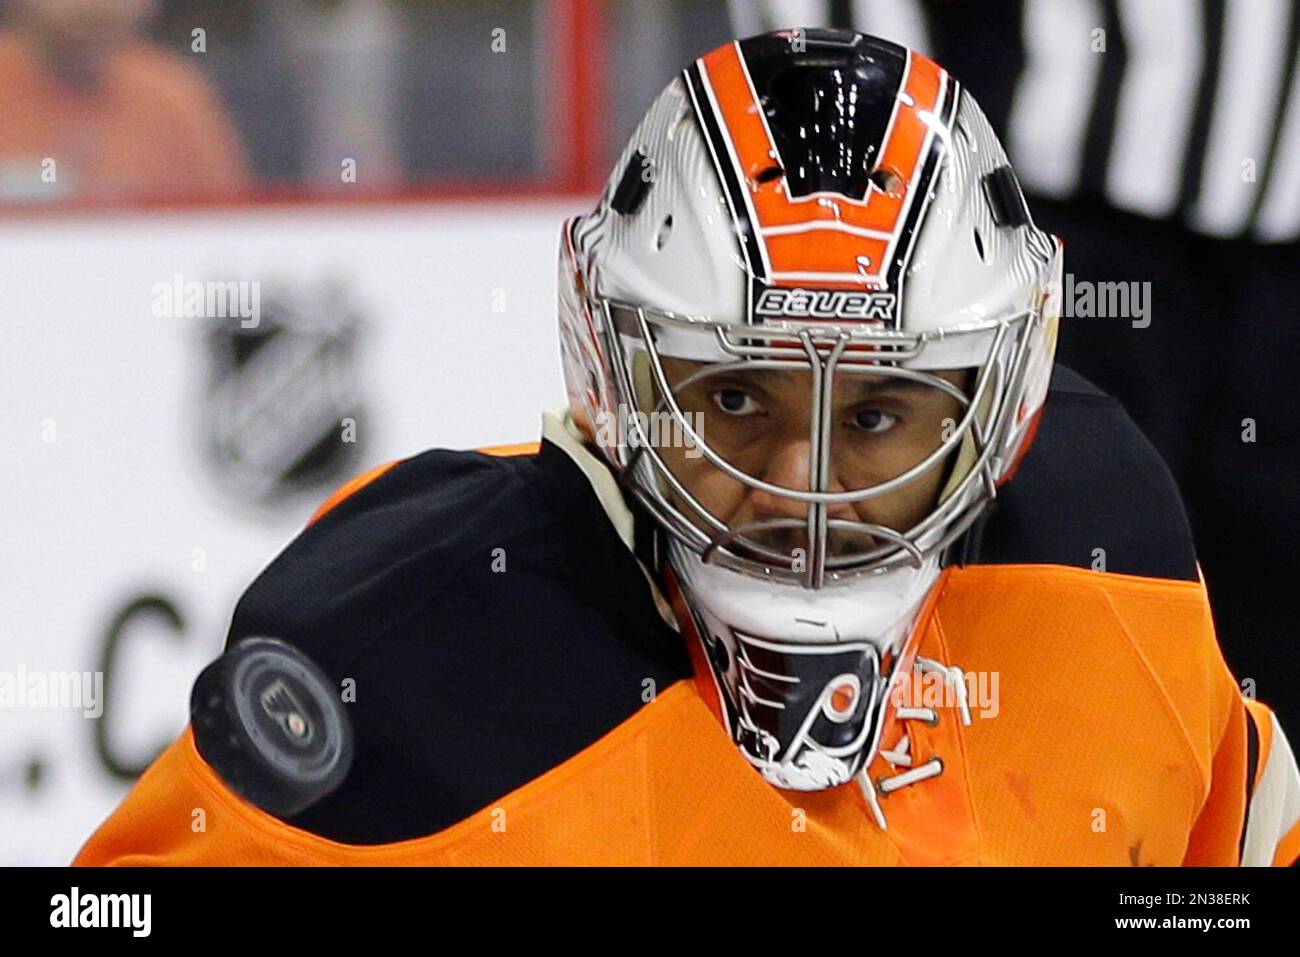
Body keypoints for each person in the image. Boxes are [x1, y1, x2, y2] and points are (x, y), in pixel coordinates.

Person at [75, 28, 1300, 866]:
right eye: (733, 401)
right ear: (614, 367)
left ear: (1002, 397)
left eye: (877, 414)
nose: (803, 486)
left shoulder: (1104, 549)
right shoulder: (408, 657)